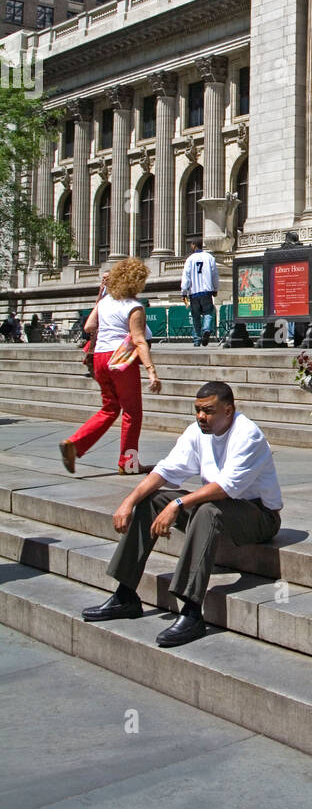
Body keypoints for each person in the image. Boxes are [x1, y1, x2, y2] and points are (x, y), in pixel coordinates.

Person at [81, 381, 282, 648]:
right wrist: (129, 501)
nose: (201, 417)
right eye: (197, 410)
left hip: (259, 517)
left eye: (209, 411)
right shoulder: (196, 432)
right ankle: (125, 595)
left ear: (229, 410)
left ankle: (191, 611)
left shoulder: (248, 435)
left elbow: (225, 488)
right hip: (220, 510)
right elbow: (165, 471)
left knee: (207, 509)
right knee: (152, 499)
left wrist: (177, 504)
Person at [59, 259, 161, 476]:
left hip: (100, 359)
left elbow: (89, 326)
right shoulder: (134, 307)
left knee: (110, 408)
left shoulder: (105, 302)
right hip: (121, 360)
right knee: (132, 412)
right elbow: (139, 340)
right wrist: (151, 370)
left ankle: (75, 444)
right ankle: (128, 463)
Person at [181, 239, 219, 347]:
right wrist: (215, 289)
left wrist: (184, 292)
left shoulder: (190, 259)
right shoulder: (209, 257)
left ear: (194, 245)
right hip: (206, 291)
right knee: (208, 313)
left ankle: (197, 339)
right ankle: (206, 330)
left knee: (195, 316)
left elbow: (186, 277)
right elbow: (215, 275)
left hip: (194, 292)